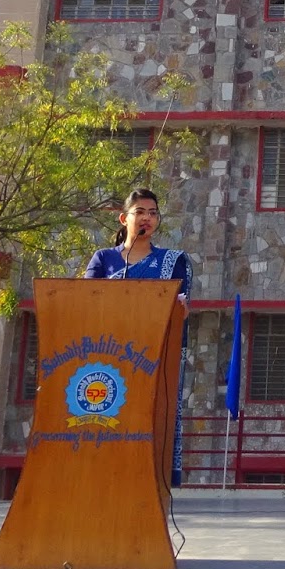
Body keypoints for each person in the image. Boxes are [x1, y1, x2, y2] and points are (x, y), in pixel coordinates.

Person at [84, 187, 193, 485]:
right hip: (107, 359)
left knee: (148, 425)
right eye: (140, 212)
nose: (147, 218)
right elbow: (84, 304)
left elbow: (180, 312)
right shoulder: (103, 259)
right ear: (123, 218)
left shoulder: (173, 262)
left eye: (153, 213)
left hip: (152, 361)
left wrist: (180, 309)